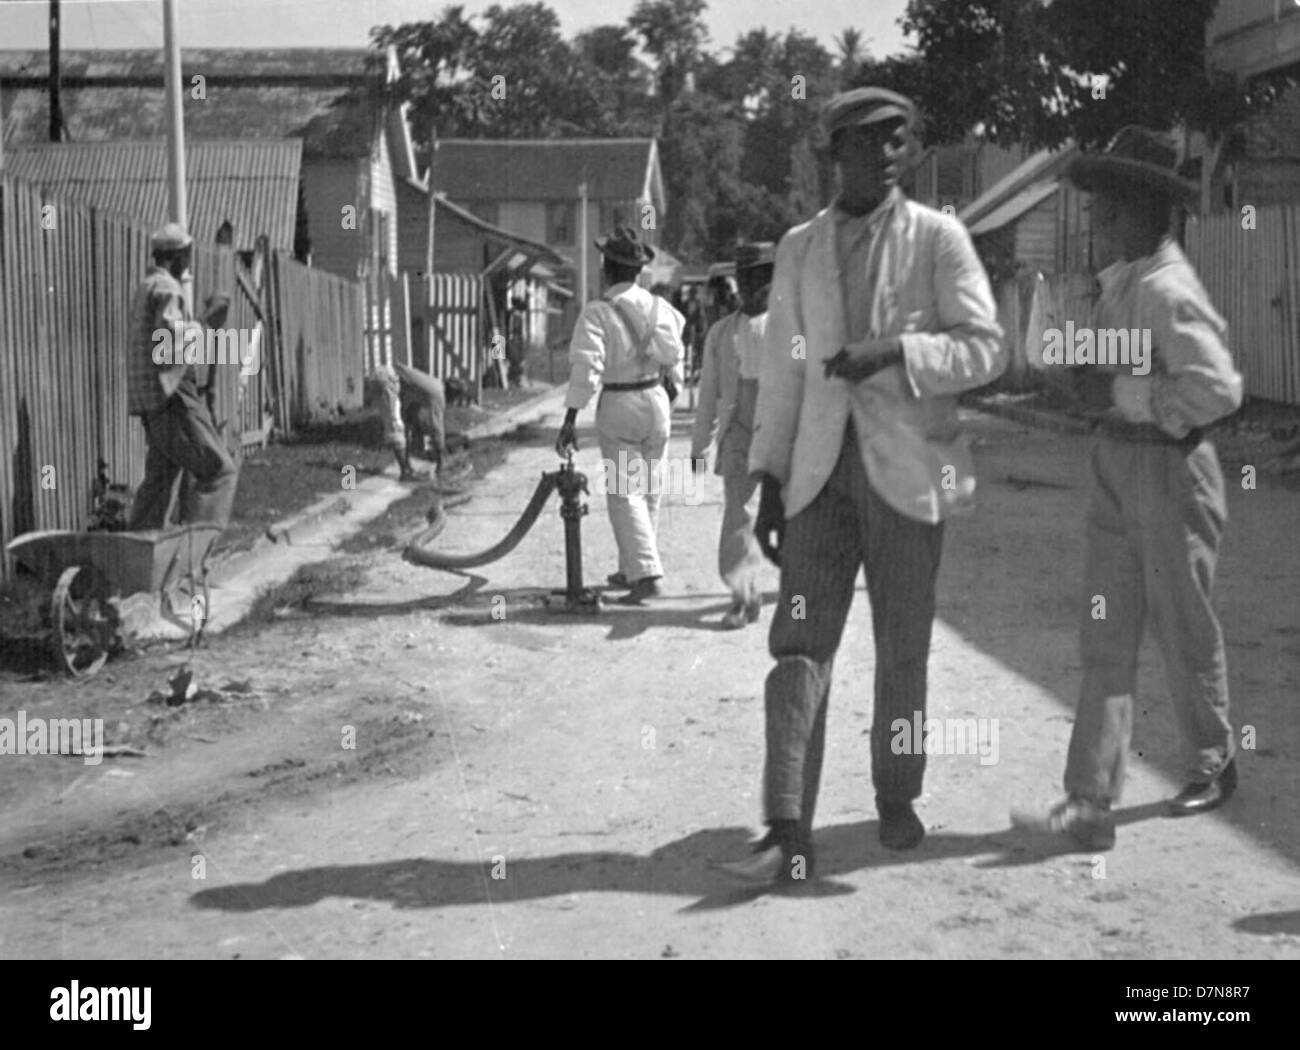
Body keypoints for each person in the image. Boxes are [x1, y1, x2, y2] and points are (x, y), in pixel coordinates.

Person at [717, 87, 1005, 886]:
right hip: (818, 477)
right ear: (830, 153)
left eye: (895, 138)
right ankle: (785, 823)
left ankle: (897, 795)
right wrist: (769, 480)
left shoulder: (938, 239)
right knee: (799, 645)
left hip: (910, 476)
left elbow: (987, 349)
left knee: (901, 651)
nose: (883, 152)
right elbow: (782, 374)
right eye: (863, 139)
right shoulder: (799, 247)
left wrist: (900, 353)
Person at [1013, 127, 1244, 850]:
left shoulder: (1169, 289)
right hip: (1115, 466)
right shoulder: (1124, 282)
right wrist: (1076, 372)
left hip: (1171, 470)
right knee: (1106, 636)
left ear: (1151, 210)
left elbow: (1218, 389)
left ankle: (1213, 760)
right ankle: (1089, 798)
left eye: (1112, 208)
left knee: (1182, 626)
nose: (1101, 221)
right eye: (1098, 207)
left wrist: (1121, 391)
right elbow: (1101, 366)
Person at [555, 226, 685, 605]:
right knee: (649, 490)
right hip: (656, 401)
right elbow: (675, 354)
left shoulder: (597, 312)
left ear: (606, 268)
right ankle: (633, 566)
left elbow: (587, 369)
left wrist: (569, 419)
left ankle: (646, 575)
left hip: (620, 405)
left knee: (624, 493)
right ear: (638, 271)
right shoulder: (661, 308)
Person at [126, 223, 238, 531]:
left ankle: (140, 564)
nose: (190, 262)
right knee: (219, 471)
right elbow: (169, 343)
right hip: (174, 398)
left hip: (153, 405)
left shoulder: (146, 287)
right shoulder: (167, 289)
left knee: (158, 488)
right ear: (178, 257)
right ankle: (195, 556)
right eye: (188, 254)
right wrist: (206, 322)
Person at [689, 242, 775, 629]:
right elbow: (708, 394)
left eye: (761, 276)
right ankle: (742, 596)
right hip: (739, 432)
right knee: (739, 517)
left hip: (784, 434)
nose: (753, 285)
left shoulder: (793, 329)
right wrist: (698, 446)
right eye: (745, 277)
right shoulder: (721, 335)